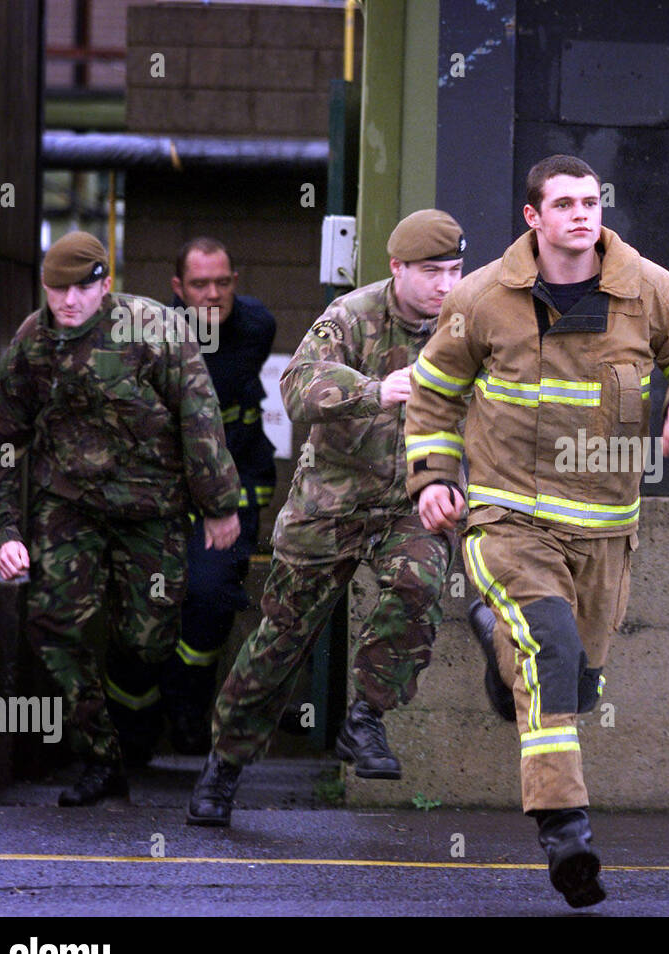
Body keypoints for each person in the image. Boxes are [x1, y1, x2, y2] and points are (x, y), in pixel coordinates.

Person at [407, 155, 669, 908]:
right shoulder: (483, 296)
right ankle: (566, 833)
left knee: (574, 683)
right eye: (564, 204)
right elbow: (431, 394)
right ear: (533, 217)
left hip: (605, 532)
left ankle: (498, 645)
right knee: (551, 650)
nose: (582, 215)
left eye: (590, 201)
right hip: (507, 519)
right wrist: (432, 479)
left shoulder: (647, 288)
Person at [186, 209, 466, 827]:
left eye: (454, 270)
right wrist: (375, 389)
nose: (445, 285)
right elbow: (296, 387)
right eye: (430, 272)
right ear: (397, 269)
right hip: (331, 506)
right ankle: (224, 767)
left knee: (420, 581)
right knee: (280, 640)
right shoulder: (352, 315)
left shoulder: (468, 322)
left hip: (411, 503)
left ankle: (365, 718)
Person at [0, 231, 241, 806]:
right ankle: (100, 758)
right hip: (67, 504)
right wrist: (2, 531)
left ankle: (145, 718)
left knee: (147, 639)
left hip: (150, 508)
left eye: (80, 288)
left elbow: (199, 416)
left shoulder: (153, 331)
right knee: (53, 623)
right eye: (56, 289)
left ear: (105, 284)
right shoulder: (31, 344)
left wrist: (218, 505)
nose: (68, 301)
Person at [122, 237, 277, 760]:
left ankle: (188, 708)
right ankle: (131, 730)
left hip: (232, 498)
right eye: (199, 284)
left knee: (210, 597)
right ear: (177, 289)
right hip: (164, 498)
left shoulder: (257, 326)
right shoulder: (151, 337)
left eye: (223, 282)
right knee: (144, 608)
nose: (213, 293)